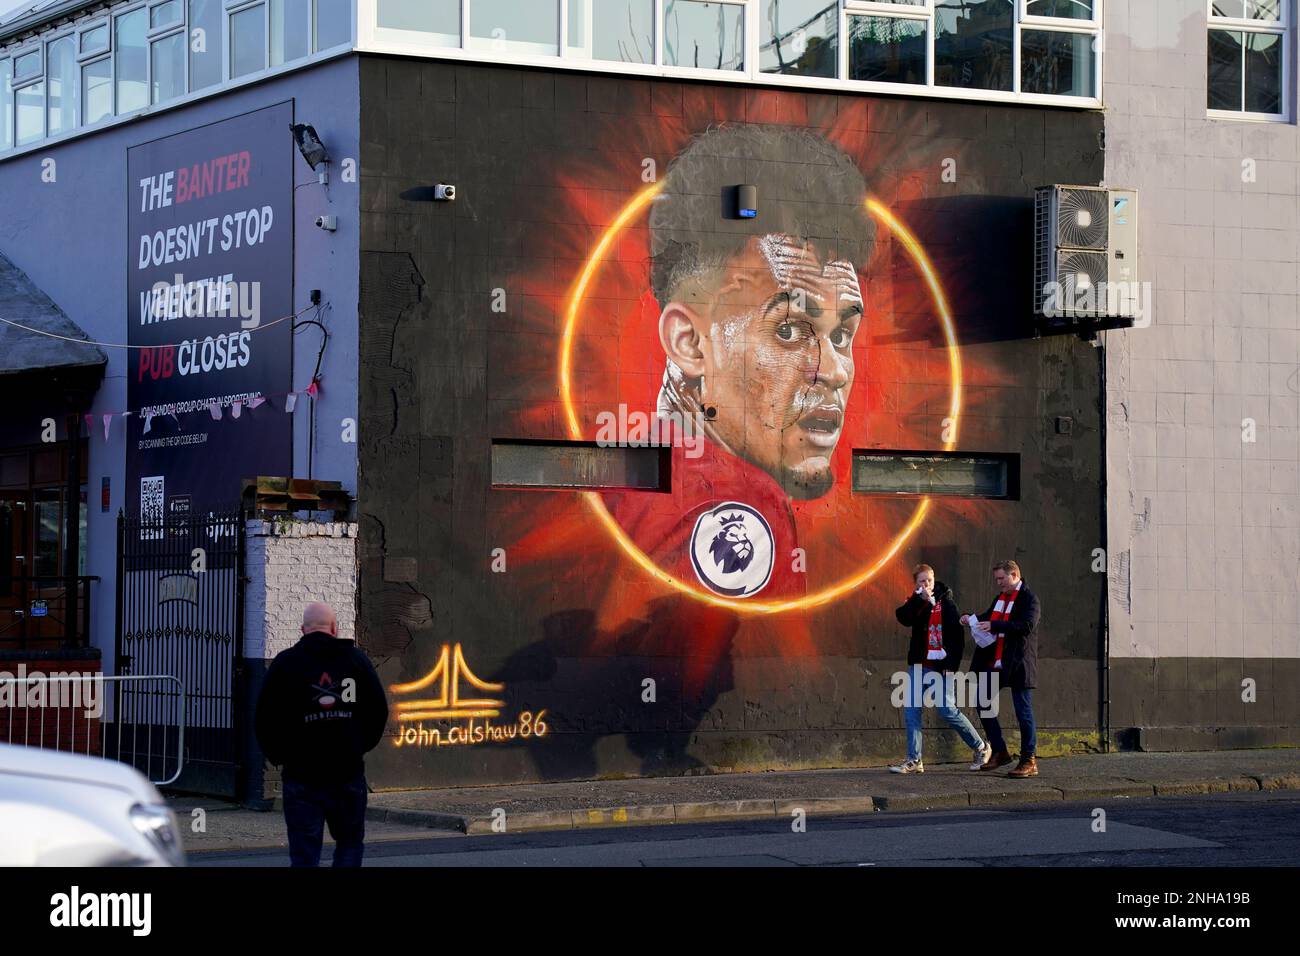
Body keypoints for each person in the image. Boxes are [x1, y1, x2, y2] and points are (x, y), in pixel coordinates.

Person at [607, 123, 874, 602]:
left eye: (841, 334)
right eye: (789, 330)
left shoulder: (630, 481)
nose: (833, 370)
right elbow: (749, 674)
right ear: (689, 343)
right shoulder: (745, 510)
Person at [254, 602, 389, 866]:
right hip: (346, 772)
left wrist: (279, 756)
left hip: (301, 776)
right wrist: (358, 746)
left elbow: (264, 718)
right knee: (349, 844)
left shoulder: (285, 663)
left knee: (304, 853)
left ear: (302, 630)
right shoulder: (355, 660)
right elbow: (378, 710)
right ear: (335, 628)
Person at [890, 564, 991, 774]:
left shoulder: (947, 604)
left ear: (934, 580)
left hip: (941, 668)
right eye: (922, 581)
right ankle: (914, 759)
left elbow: (957, 639)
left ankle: (981, 747)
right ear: (916, 583)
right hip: (918, 666)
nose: (926, 584)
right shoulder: (915, 604)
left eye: (929, 580)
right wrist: (920, 599)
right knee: (911, 712)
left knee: (947, 711)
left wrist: (951, 666)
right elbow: (903, 618)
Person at [962, 560, 1041, 778]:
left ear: (1014, 574)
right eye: (996, 579)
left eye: (1001, 578)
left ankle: (1029, 759)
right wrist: (970, 618)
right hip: (996, 662)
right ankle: (1000, 751)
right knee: (982, 702)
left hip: (1018, 663)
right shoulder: (1000, 599)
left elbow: (1027, 626)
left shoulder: (1029, 599)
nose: (998, 583)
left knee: (1023, 712)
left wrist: (995, 625)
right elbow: (988, 617)